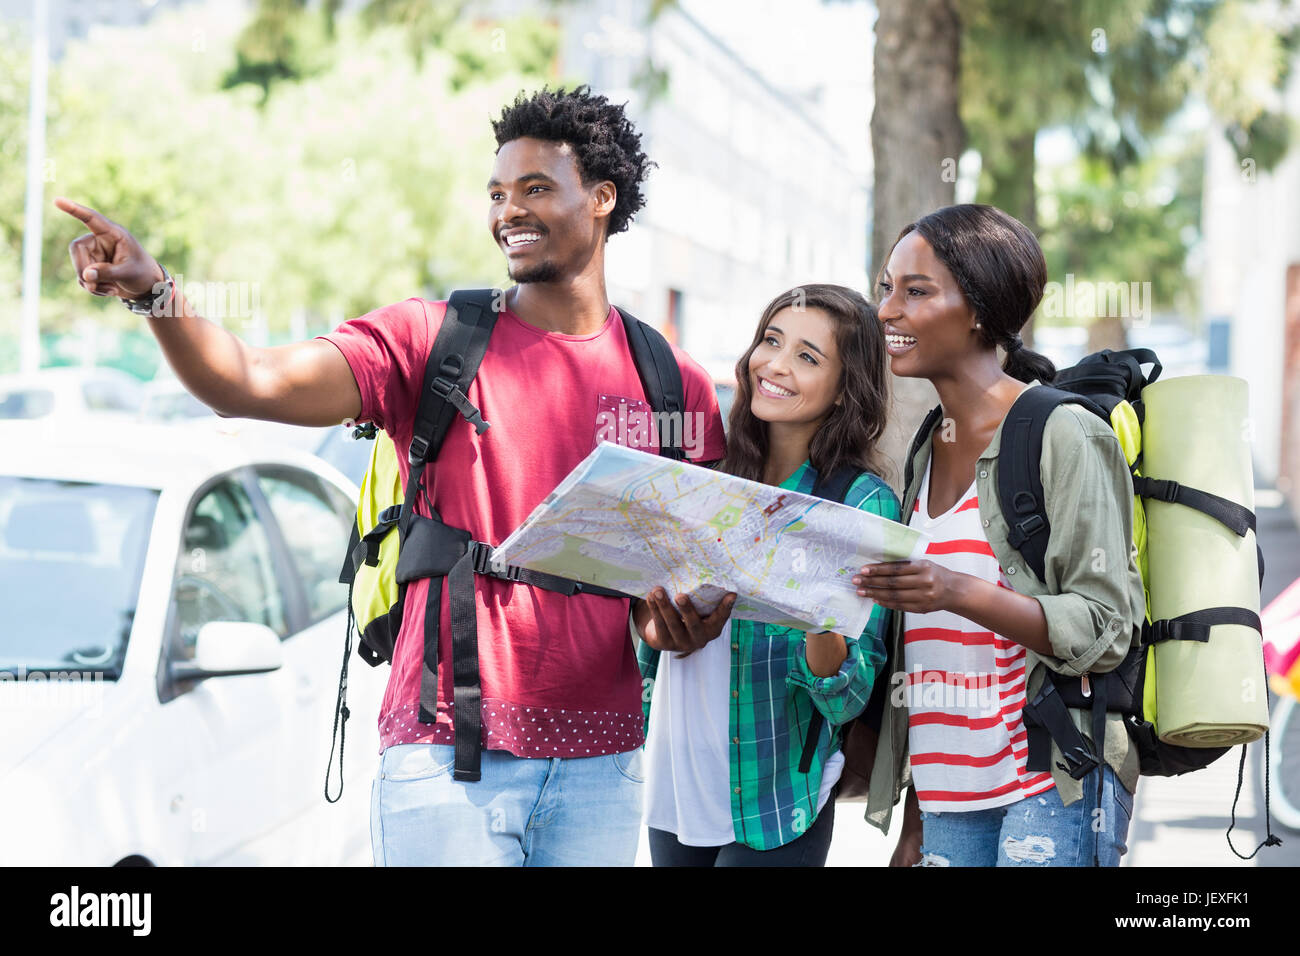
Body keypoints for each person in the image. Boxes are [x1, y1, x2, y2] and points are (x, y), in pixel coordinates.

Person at [57, 85, 726, 867]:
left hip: (604, 767)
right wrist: (155, 294)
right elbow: (249, 379)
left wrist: (679, 619)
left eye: (537, 188)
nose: (509, 210)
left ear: (603, 198)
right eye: (498, 193)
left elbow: (678, 586)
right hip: (446, 760)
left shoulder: (674, 385)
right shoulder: (430, 340)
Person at [854, 204, 1146, 867]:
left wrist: (956, 590)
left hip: (1051, 778)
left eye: (916, 290)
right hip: (949, 792)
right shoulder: (929, 445)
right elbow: (933, 656)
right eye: (885, 289)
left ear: (981, 310)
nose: (888, 311)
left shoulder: (1063, 433)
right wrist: (915, 818)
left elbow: (1106, 624)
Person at [633, 284, 899, 866]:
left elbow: (849, 694)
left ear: (845, 389)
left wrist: (814, 613)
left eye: (807, 356)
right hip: (679, 776)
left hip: (776, 796)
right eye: (771, 340)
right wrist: (653, 627)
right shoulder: (703, 474)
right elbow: (647, 643)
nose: (775, 365)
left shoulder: (860, 505)